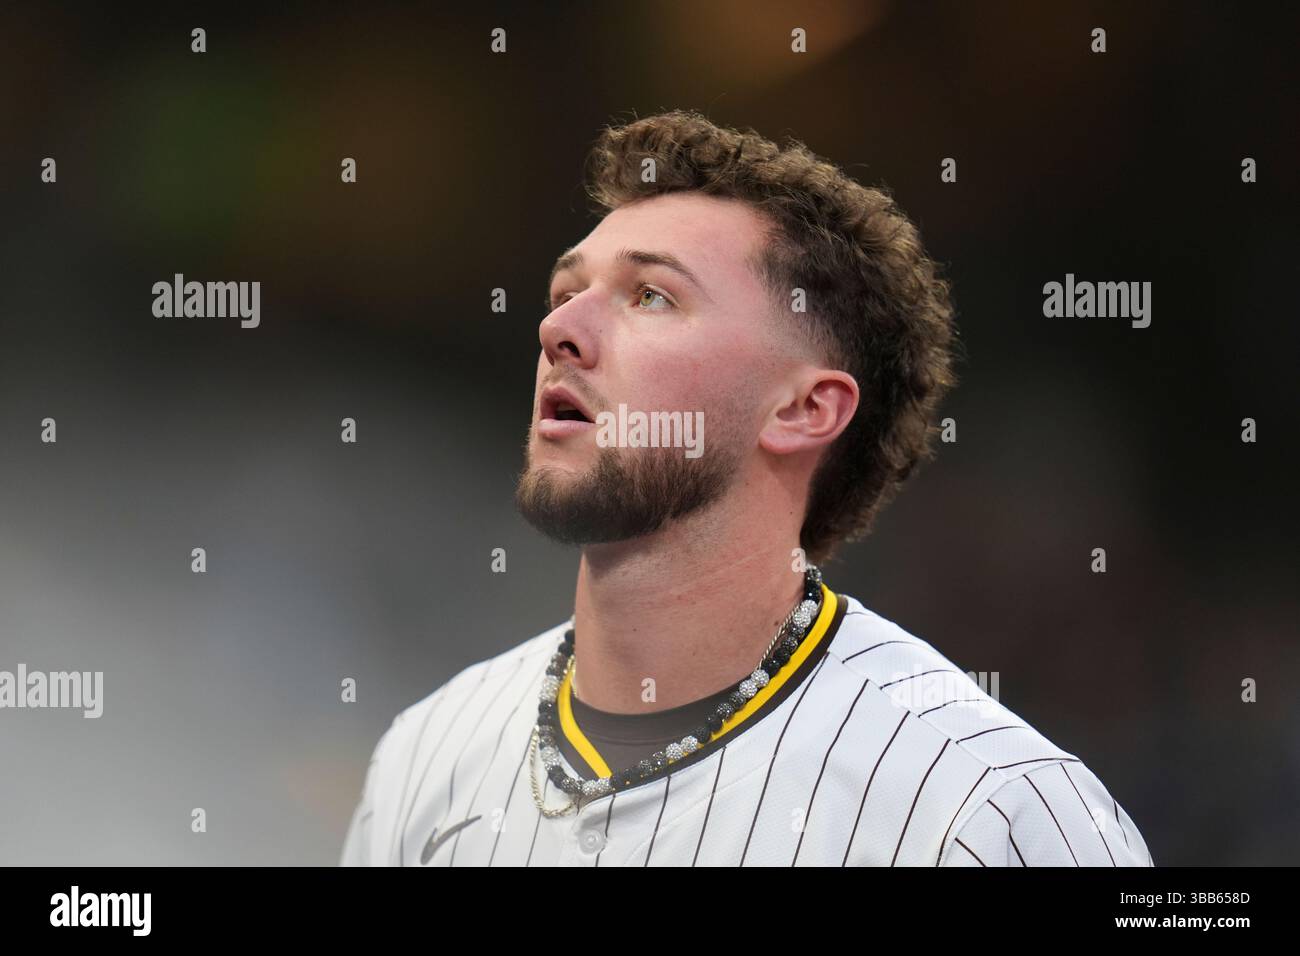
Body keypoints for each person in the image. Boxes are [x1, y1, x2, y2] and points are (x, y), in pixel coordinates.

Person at [341, 110, 1153, 866]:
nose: (559, 331)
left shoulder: (987, 809)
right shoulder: (428, 753)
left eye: (650, 295)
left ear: (803, 410)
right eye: (565, 294)